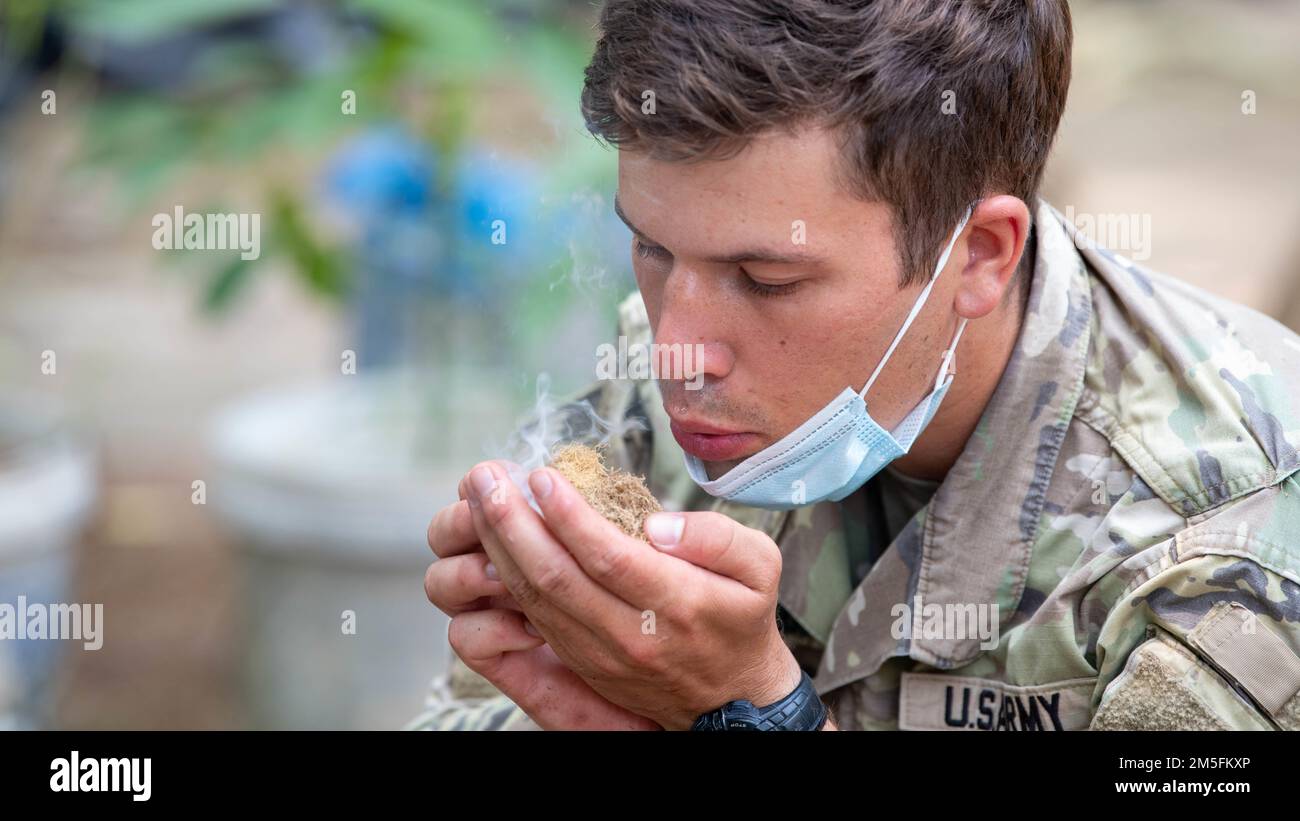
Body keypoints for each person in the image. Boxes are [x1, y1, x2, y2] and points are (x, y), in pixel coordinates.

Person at [411, 0, 1300, 730]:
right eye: (651, 247)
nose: (676, 348)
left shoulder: (1228, 541)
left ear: (980, 255)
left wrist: (755, 711)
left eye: (767, 280)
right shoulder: (656, 383)